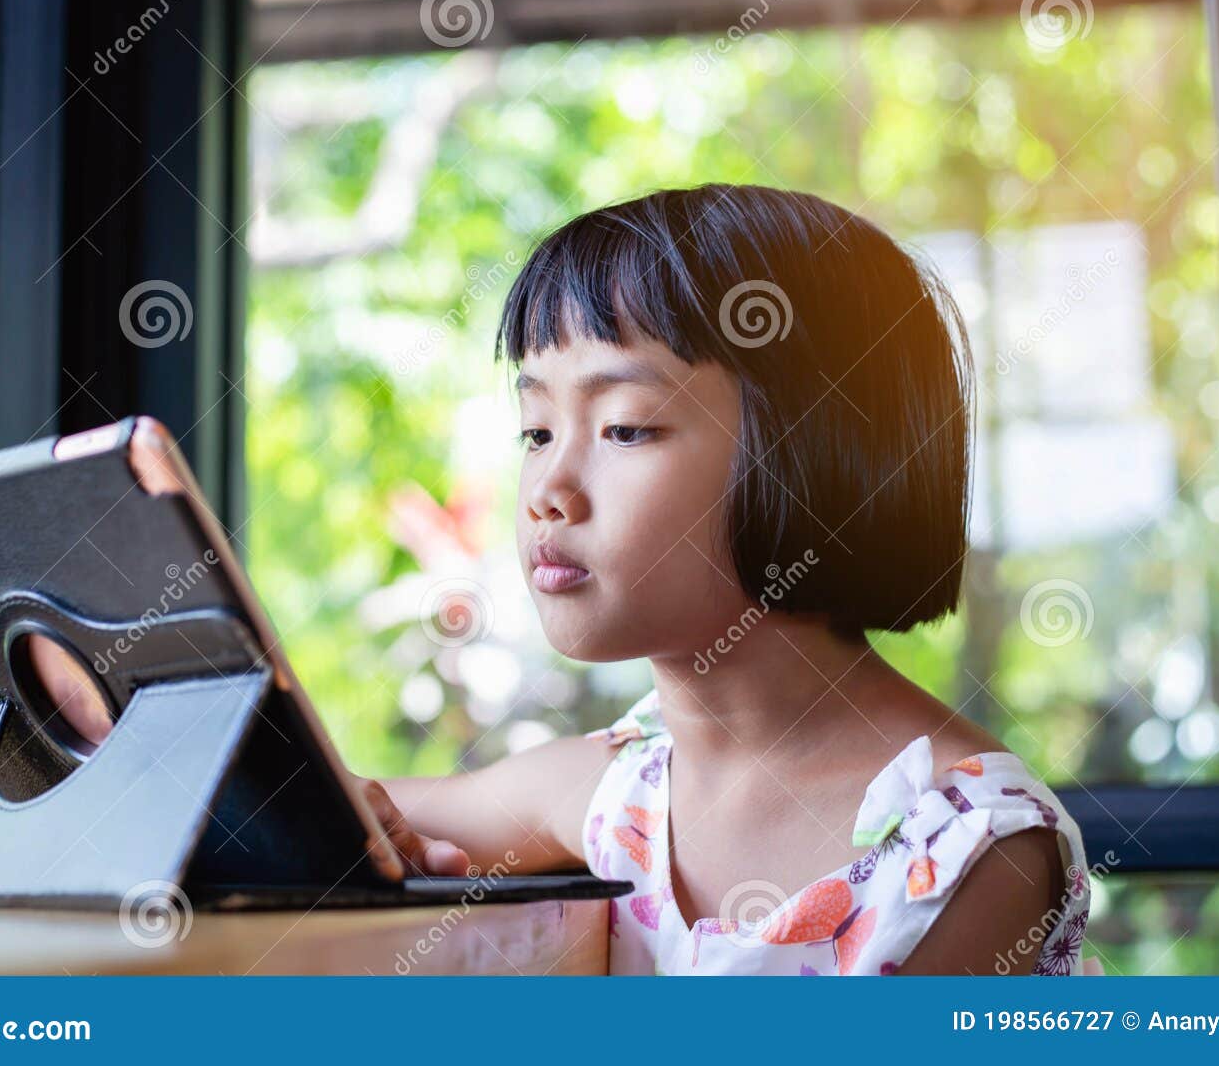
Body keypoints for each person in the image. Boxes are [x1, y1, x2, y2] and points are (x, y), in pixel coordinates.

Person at [362, 183, 1092, 975]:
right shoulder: (626, 786)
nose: (548, 489)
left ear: (814, 453)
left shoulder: (967, 847)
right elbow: (322, 800)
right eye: (536, 430)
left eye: (625, 427)